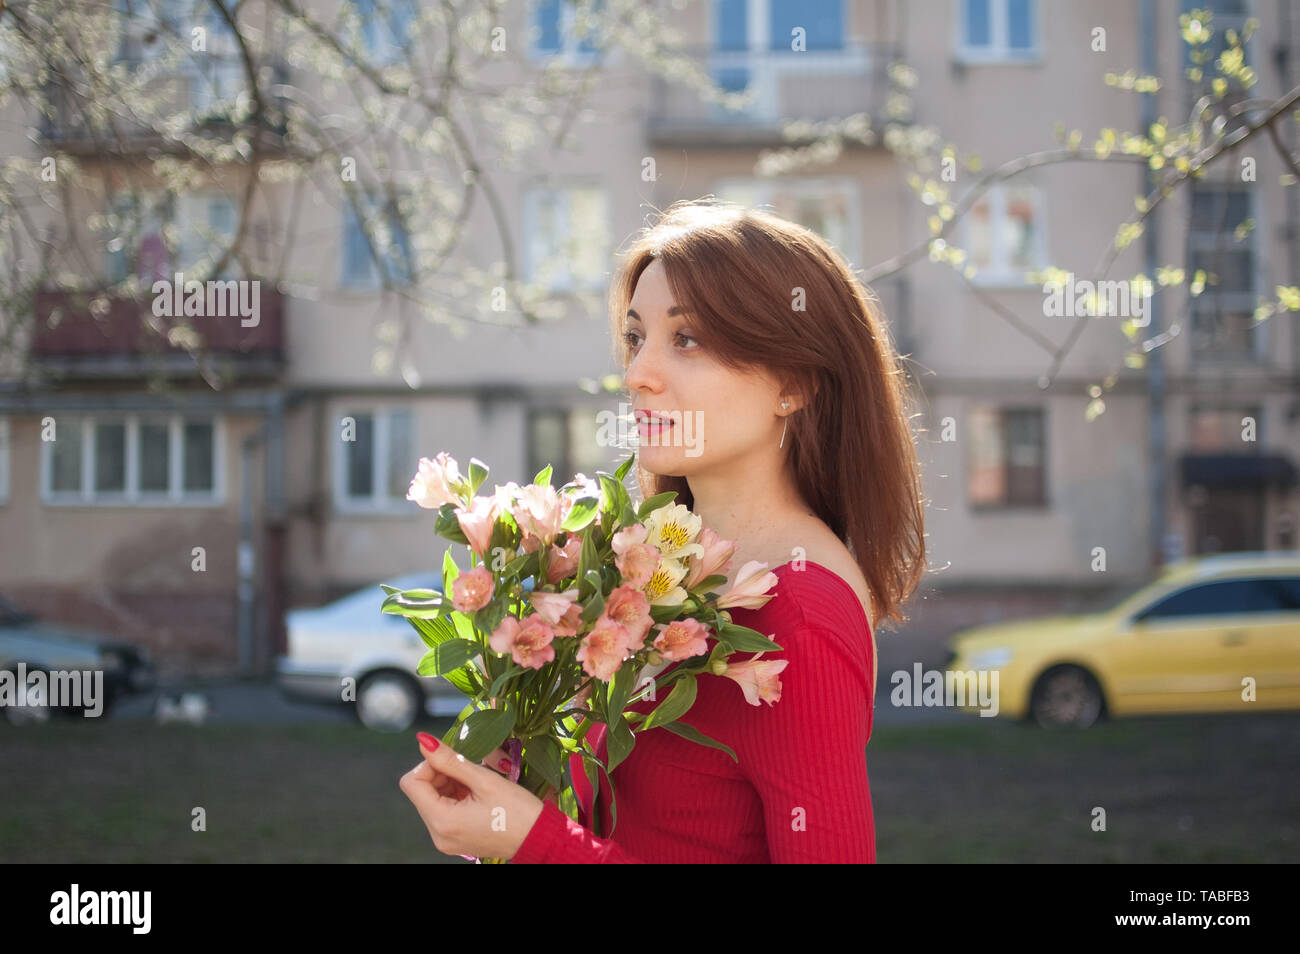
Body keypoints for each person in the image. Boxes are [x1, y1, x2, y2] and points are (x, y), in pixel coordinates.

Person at [399, 199, 927, 863]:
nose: (637, 374)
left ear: (793, 381)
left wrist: (535, 842)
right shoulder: (660, 575)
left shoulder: (800, 615)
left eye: (687, 339)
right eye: (634, 338)